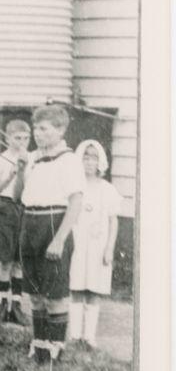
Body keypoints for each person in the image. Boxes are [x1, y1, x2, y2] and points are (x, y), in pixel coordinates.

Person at [18, 104, 85, 365]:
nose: (37, 133)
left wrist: (59, 239)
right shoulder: (33, 158)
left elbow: (76, 202)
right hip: (30, 222)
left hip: (55, 223)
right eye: (35, 128)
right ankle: (40, 342)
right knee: (35, 292)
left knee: (55, 293)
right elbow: (19, 195)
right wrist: (20, 168)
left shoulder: (69, 160)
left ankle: (57, 345)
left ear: (60, 130)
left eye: (44, 129)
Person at [68, 139, 121, 349]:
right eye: (86, 157)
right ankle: (74, 335)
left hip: (98, 246)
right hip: (78, 244)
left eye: (94, 158)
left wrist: (109, 248)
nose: (90, 162)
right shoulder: (74, 187)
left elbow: (113, 221)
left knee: (94, 290)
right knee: (76, 287)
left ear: (101, 161)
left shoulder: (107, 189)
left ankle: (89, 337)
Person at [0, 119, 32, 326]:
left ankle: (17, 306)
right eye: (17, 138)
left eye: (26, 138)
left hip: (27, 208)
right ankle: (2, 305)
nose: (22, 142)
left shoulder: (33, 159)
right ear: (7, 138)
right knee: (5, 261)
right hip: (6, 207)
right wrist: (10, 176)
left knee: (20, 262)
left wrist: (23, 170)